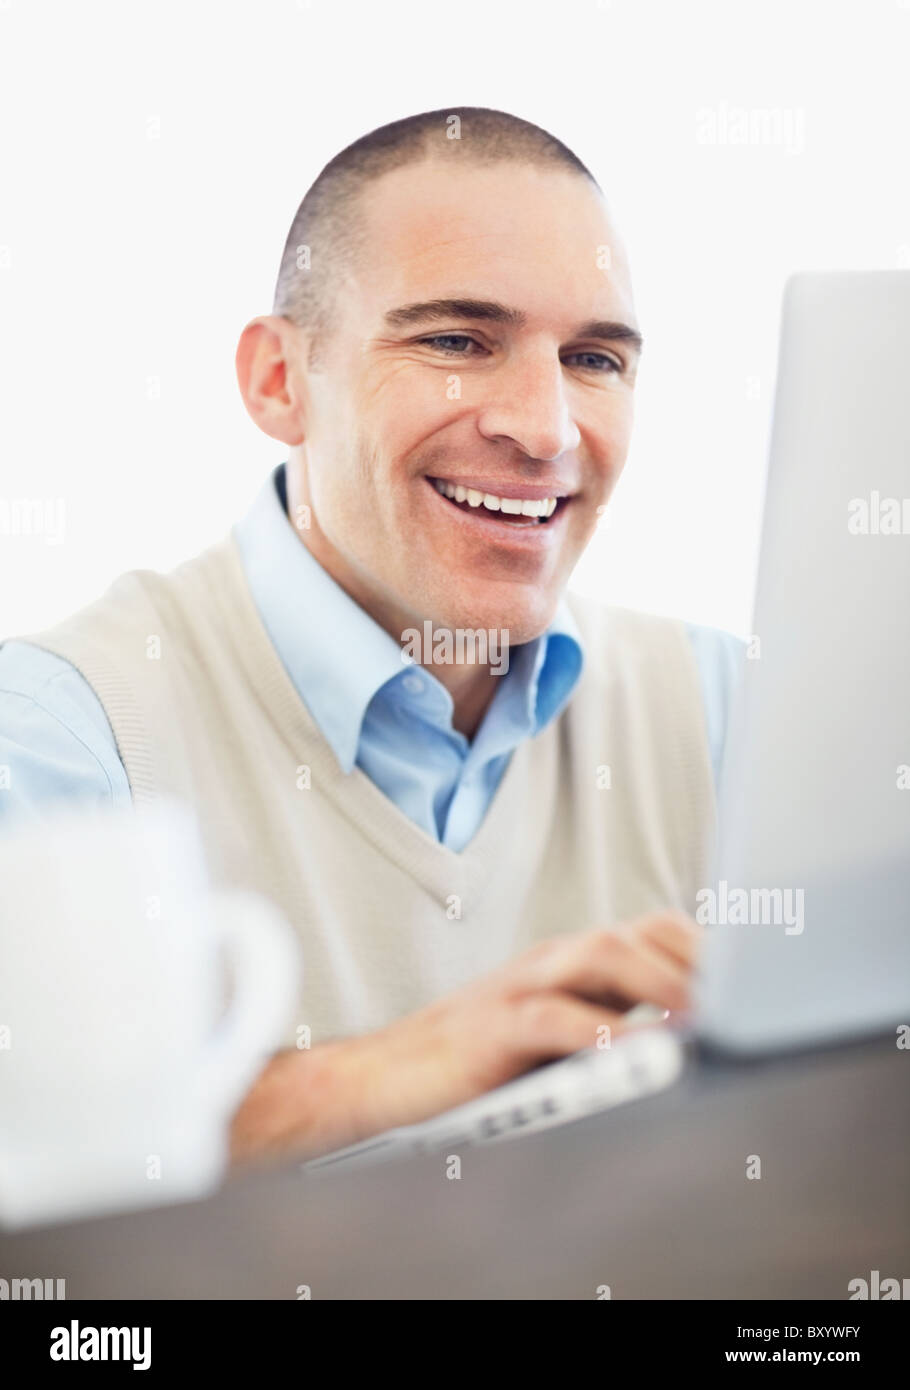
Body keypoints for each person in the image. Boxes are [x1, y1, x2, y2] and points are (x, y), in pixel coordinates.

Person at [0, 107, 743, 1163]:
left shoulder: (729, 711)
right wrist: (365, 1081)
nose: (544, 427)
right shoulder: (60, 742)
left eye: (593, 358)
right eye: (455, 342)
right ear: (278, 380)